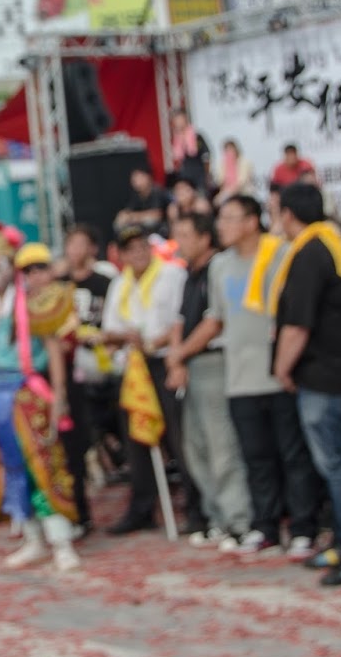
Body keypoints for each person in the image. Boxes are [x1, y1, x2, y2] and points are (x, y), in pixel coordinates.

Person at [203, 196, 323, 557]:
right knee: (256, 458)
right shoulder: (219, 265)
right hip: (239, 376)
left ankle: (303, 527)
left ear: (252, 221)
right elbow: (216, 318)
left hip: (279, 374)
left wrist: (287, 364)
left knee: (293, 455)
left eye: (229, 218)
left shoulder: (281, 255)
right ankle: (265, 525)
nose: (221, 226)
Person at [267, 183, 341, 586]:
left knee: (337, 464)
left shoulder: (310, 253)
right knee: (332, 463)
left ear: (289, 214)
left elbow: (298, 324)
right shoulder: (321, 246)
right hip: (330, 372)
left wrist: (281, 368)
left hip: (325, 375)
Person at [0, 242, 80, 571]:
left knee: (43, 466)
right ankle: (33, 539)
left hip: (28, 395)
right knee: (11, 469)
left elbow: (53, 350)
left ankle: (61, 542)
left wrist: (59, 396)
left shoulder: (34, 302)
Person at [101, 225, 198, 534]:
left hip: (164, 361)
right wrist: (126, 338)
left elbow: (183, 320)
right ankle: (142, 508)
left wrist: (155, 342)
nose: (139, 253)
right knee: (136, 440)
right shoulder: (120, 284)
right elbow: (109, 330)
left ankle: (196, 507)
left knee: (179, 437)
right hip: (133, 366)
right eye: (131, 249)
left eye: (143, 246)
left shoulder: (172, 275)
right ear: (121, 255)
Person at [165, 213, 253, 550]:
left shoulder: (219, 267)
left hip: (214, 362)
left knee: (222, 447)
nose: (180, 243)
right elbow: (179, 320)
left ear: (205, 238)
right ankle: (215, 516)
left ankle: (238, 519)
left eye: (186, 235)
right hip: (190, 364)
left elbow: (214, 321)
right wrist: (177, 357)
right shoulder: (188, 275)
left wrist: (180, 353)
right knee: (195, 447)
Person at [59, 225, 120, 532]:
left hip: (106, 362)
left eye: (81, 244)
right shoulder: (60, 286)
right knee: (78, 437)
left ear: (93, 249)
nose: (75, 251)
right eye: (71, 244)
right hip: (72, 370)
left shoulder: (106, 283)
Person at [116, 167, 173, 232]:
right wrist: (125, 215)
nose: (136, 181)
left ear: (148, 177)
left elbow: (156, 216)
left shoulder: (157, 192)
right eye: (134, 179)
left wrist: (133, 217)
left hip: (162, 229)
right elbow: (127, 212)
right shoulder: (136, 195)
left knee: (149, 222)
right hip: (143, 230)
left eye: (139, 177)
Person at [170, 109, 212, 193]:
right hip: (185, 179)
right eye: (176, 121)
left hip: (199, 178)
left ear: (185, 120)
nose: (179, 123)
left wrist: (206, 175)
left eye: (180, 119)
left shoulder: (196, 137)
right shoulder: (176, 140)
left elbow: (206, 156)